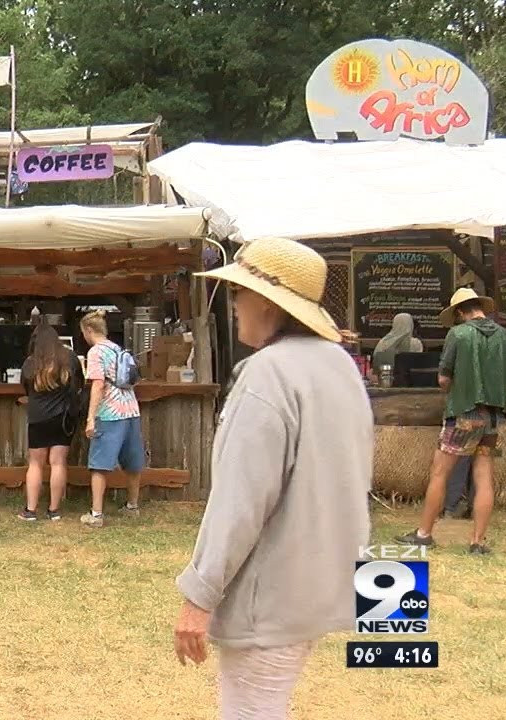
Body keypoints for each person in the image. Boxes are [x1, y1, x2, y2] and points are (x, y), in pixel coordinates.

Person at [173, 237, 372, 720]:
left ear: (265, 300)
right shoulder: (339, 365)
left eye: (239, 292)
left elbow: (240, 502)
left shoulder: (268, 373)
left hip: (272, 593)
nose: (235, 304)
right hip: (321, 587)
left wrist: (199, 597)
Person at [396, 288, 506, 555]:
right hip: (493, 418)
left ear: (459, 312)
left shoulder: (458, 334)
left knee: (440, 473)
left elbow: (443, 379)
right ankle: (477, 542)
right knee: (484, 476)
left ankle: (423, 534)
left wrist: (458, 387)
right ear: (480, 307)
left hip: (464, 415)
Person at [79, 311, 144, 528]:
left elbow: (98, 385)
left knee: (99, 464)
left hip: (110, 412)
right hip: (131, 409)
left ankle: (96, 514)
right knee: (133, 462)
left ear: (89, 330)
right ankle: (132, 506)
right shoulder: (118, 348)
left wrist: (91, 418)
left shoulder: (96, 352)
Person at [18, 322, 83, 521]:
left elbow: (25, 388)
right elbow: (80, 383)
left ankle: (30, 510)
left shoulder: (30, 362)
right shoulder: (69, 358)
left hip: (38, 417)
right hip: (62, 418)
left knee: (35, 464)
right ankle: (54, 510)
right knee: (58, 463)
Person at [371, 312, 423, 378]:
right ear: (411, 325)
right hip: (409, 381)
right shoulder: (416, 343)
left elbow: (376, 367)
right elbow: (418, 365)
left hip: (385, 379)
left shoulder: (383, 342)